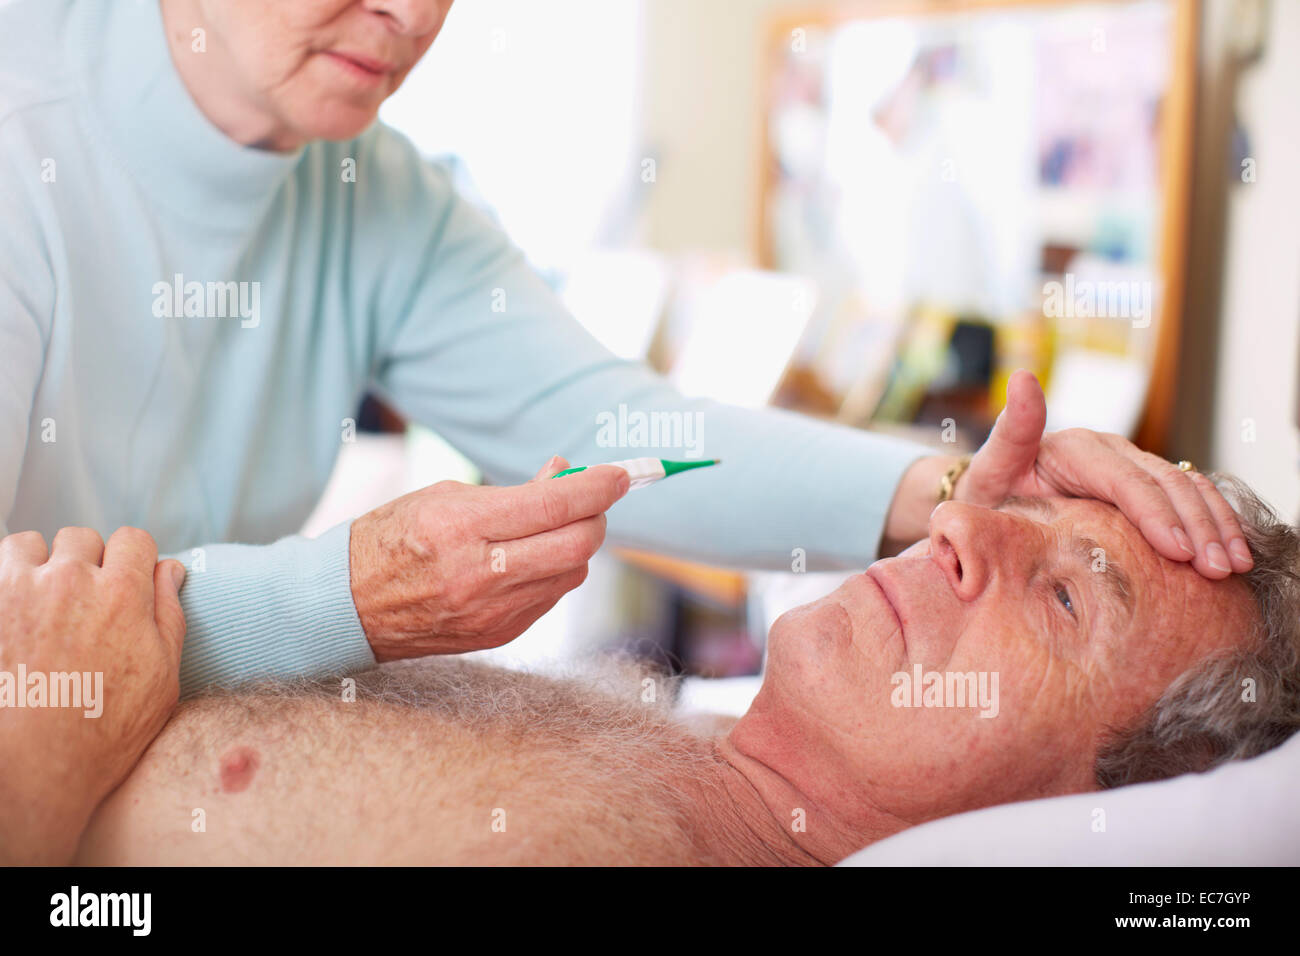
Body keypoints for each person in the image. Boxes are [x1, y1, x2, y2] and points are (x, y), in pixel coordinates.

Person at [0, 0, 1256, 861]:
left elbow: (619, 430)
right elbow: (46, 642)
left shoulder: (371, 193)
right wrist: (347, 591)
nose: (411, 17)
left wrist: (954, 492)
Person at [70, 474, 1300, 865]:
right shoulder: (675, 749)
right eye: (1019, 508)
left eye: (1067, 592)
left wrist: (29, 781)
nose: (960, 525)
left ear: (1115, 798)